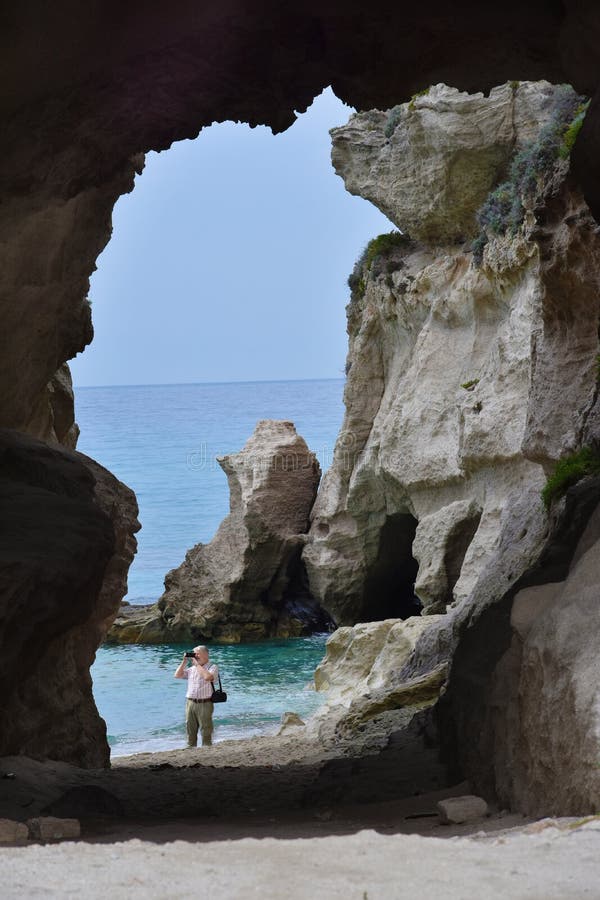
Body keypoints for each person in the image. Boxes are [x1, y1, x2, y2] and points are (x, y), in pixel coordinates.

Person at [174, 645, 218, 748]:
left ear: (206, 654)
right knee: (190, 727)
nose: (195, 656)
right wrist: (184, 662)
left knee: (206, 728)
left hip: (205, 703)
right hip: (190, 702)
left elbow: (208, 677)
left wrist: (197, 665)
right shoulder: (192, 669)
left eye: (197, 653)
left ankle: (207, 746)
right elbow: (177, 675)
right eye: (194, 653)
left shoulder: (212, 667)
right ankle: (191, 746)